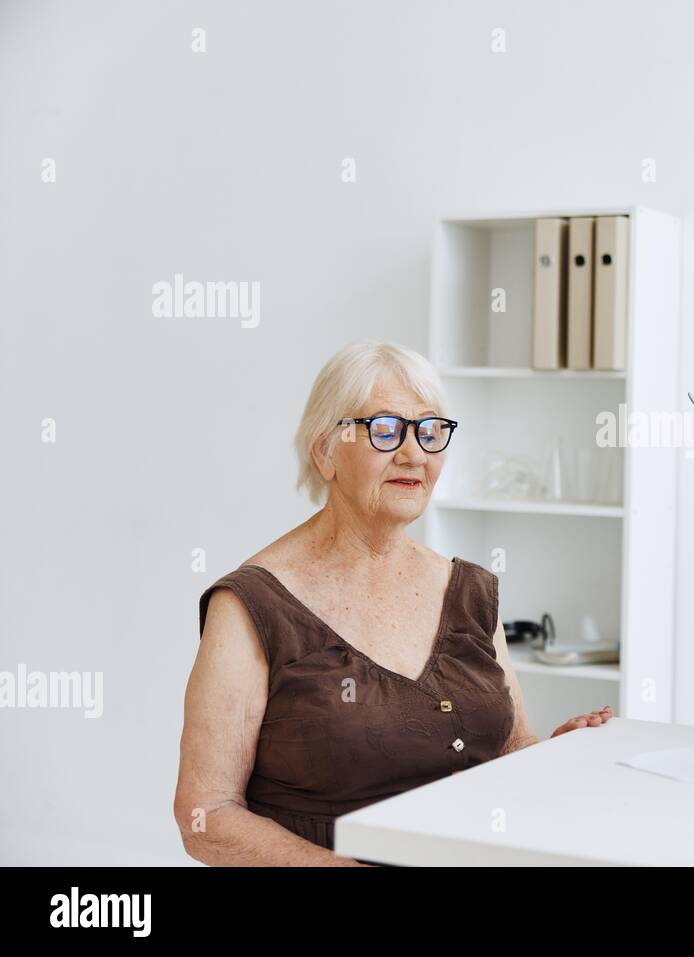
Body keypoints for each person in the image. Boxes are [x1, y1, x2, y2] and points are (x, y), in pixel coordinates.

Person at [174, 340, 610, 865]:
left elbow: (511, 746)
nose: (414, 454)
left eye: (429, 431)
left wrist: (552, 755)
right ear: (326, 451)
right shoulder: (252, 604)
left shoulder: (468, 591)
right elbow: (208, 814)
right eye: (385, 430)